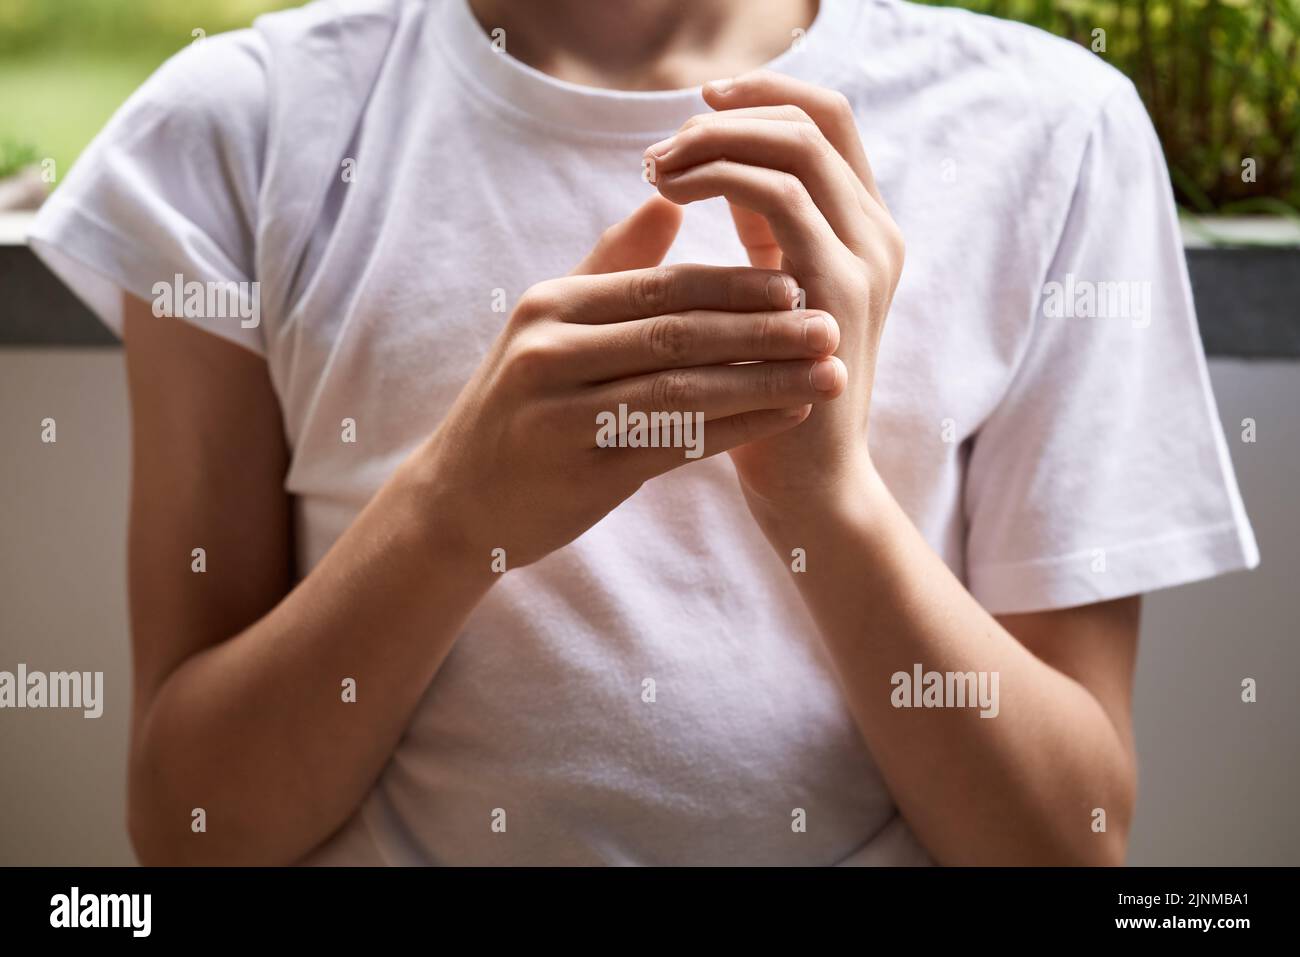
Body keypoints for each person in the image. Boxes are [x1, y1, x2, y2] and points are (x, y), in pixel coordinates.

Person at [29, 0, 1258, 866]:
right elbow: (190, 828)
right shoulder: (240, 129)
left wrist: (827, 510)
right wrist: (456, 512)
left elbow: (1072, 848)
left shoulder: (1055, 131)